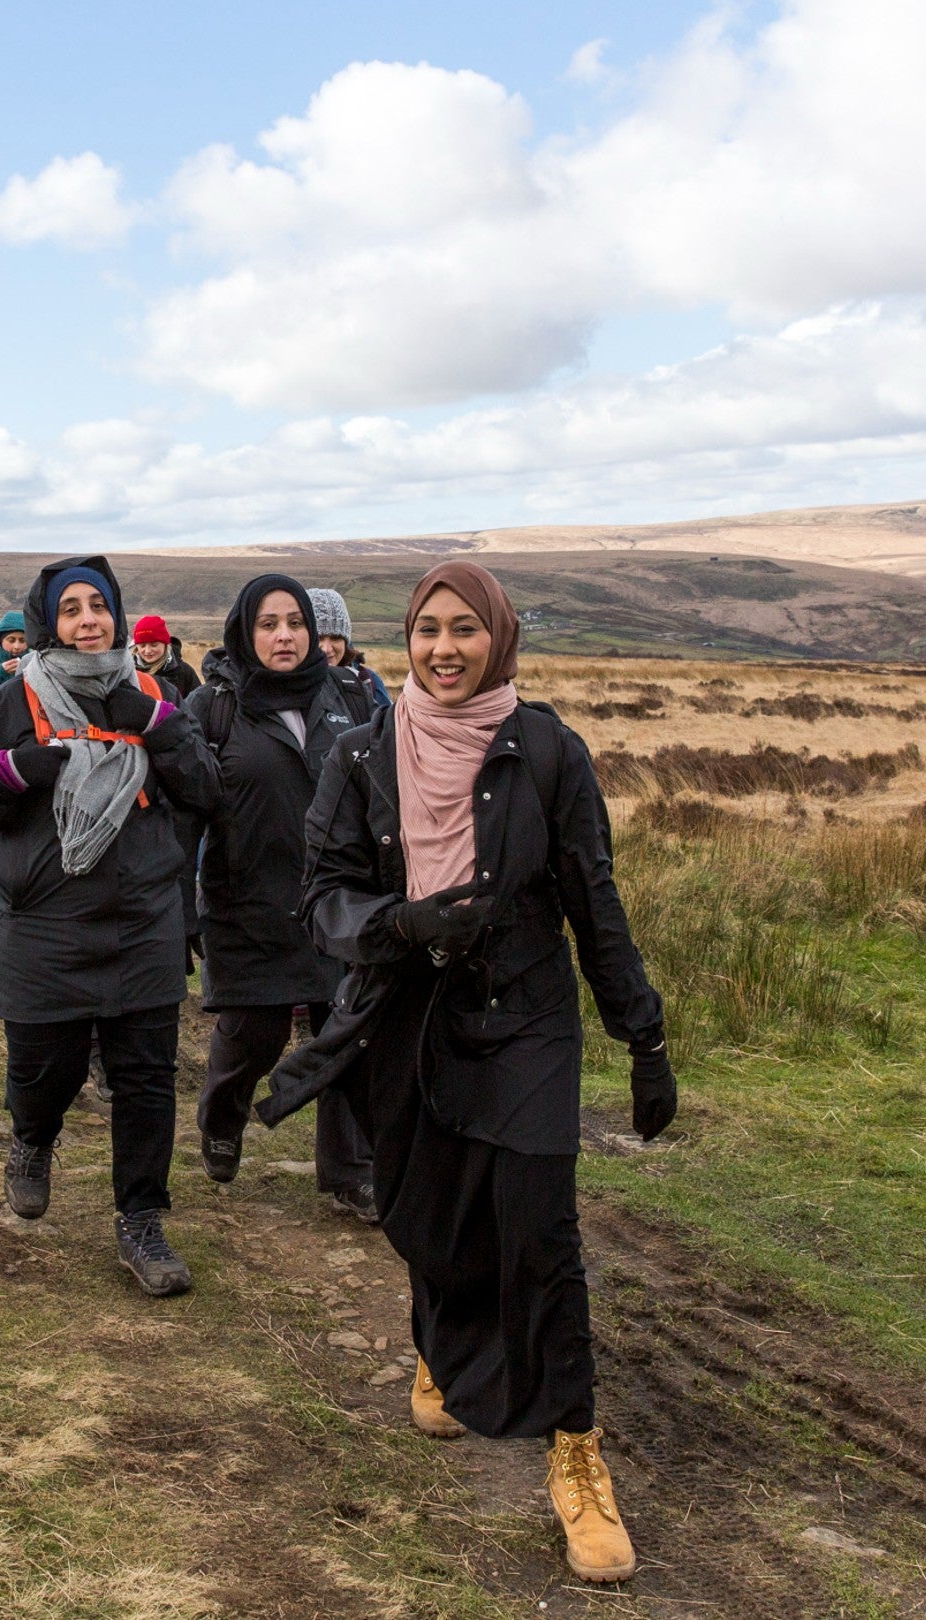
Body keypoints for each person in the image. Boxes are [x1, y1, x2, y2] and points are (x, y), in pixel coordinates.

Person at [295, 560, 673, 1585]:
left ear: (498, 637)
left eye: (466, 629)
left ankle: (577, 1456)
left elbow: (594, 903)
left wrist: (643, 1034)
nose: (444, 648)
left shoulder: (547, 750)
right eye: (427, 629)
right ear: (406, 639)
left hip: (528, 1019)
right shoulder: (363, 751)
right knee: (435, 1213)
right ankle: (443, 1344)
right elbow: (322, 894)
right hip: (410, 1017)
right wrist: (393, 922)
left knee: (539, 1231)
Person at [0, 555, 219, 1297]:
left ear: (118, 615)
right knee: (47, 1071)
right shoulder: (9, 698)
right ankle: (33, 1139)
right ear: (48, 623)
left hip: (142, 922)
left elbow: (205, 789)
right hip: (43, 925)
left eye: (99, 605)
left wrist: (157, 727)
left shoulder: (155, 694)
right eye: (70, 608)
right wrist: (15, 770)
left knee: (145, 1082)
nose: (88, 619)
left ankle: (141, 1221)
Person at [186, 574, 379, 1220]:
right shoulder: (213, 709)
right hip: (245, 902)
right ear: (246, 631)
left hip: (335, 901)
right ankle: (222, 1115)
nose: (285, 636)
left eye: (295, 622)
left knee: (345, 1033)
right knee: (255, 1032)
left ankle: (352, 1172)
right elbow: (186, 813)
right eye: (269, 624)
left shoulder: (347, 699)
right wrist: (180, 907)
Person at [309, 588, 391, 711]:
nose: (326, 649)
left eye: (336, 638)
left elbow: (388, 728)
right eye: (318, 638)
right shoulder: (280, 686)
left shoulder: (369, 681)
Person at [132, 615, 201, 699]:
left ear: (165, 644)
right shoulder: (129, 671)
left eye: (154, 645)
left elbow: (197, 706)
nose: (147, 651)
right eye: (142, 646)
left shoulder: (184, 672)